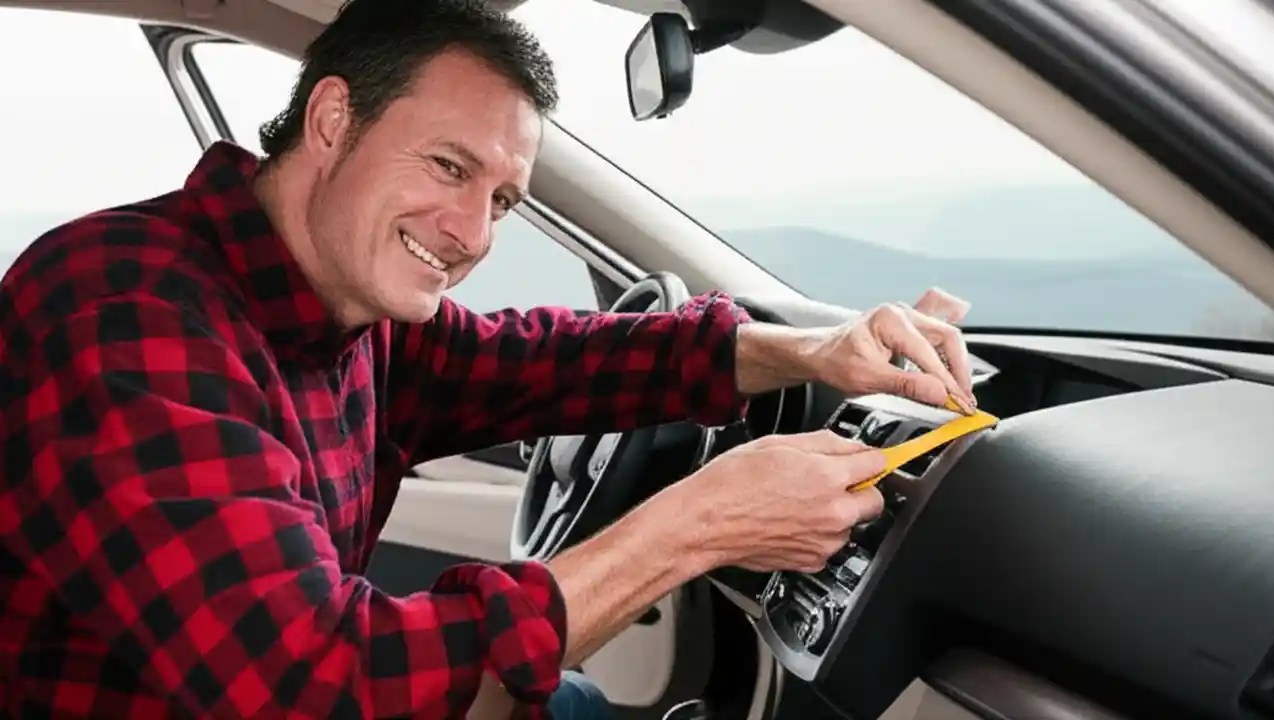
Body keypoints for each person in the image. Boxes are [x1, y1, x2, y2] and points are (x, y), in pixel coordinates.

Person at [0, 0, 976, 718]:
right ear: (334, 121)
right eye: (447, 166)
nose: (470, 233)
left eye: (502, 200)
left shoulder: (342, 308)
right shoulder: (123, 309)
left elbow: (547, 363)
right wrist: (699, 523)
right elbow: (313, 684)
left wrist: (813, 349)